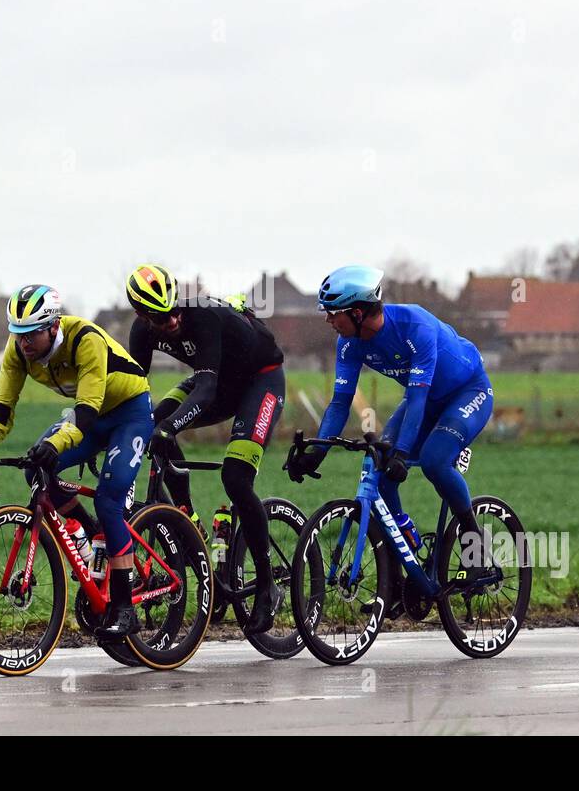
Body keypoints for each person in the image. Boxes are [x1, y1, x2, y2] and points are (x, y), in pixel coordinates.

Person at [286, 265, 494, 612]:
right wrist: (316, 453)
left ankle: (476, 548)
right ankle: (401, 579)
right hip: (424, 401)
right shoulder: (349, 343)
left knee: (433, 461)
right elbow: (339, 404)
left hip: (467, 392)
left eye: (332, 313)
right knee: (379, 475)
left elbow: (416, 400)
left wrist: (401, 452)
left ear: (357, 312)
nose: (327, 320)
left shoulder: (416, 326)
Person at [0, 284, 153, 639]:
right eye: (17, 334)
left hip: (128, 413)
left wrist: (55, 444)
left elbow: (87, 411)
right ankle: (90, 530)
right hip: (88, 415)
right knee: (36, 467)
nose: (24, 343)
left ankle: (125, 608)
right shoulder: (19, 351)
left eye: (31, 334)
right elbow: (3, 405)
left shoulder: (85, 339)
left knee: (109, 501)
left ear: (53, 326)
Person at [124, 263, 286, 636]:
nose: (172, 322)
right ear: (141, 316)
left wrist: (169, 428)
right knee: (149, 424)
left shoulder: (203, 317)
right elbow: (135, 390)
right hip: (215, 381)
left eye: (173, 312)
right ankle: (187, 518)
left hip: (260, 382)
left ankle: (266, 585)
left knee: (235, 478)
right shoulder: (141, 332)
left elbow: (207, 391)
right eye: (161, 319)